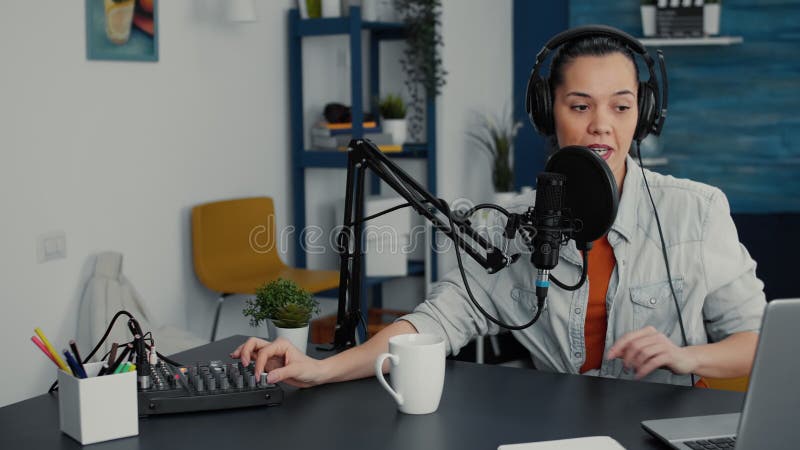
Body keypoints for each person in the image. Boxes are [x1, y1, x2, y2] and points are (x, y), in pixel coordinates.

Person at [231, 26, 766, 388]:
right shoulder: (510, 227)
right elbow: (434, 322)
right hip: (560, 429)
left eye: (621, 106)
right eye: (580, 106)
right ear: (547, 112)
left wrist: (688, 356)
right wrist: (322, 369)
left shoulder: (697, 212)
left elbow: (759, 339)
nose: (601, 123)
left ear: (643, 115)